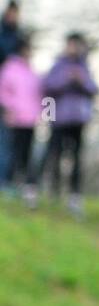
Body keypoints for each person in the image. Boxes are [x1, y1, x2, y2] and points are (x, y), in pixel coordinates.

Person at [36, 31, 99, 218]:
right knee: (54, 154)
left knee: (76, 159)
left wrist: (81, 80)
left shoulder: (85, 67)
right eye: (71, 44)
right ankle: (52, 191)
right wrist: (67, 79)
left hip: (78, 120)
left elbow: (94, 89)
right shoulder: (58, 65)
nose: (74, 48)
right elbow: (47, 87)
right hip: (59, 119)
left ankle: (74, 196)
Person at [0, 34, 42, 196]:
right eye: (28, 49)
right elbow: (3, 92)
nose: (30, 52)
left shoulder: (32, 71)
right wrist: (9, 109)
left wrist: (44, 115)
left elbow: (40, 95)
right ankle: (6, 183)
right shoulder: (9, 68)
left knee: (27, 154)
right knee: (11, 152)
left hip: (30, 120)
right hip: (14, 118)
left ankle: (23, 185)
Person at [0, 1, 22, 185]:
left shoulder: (18, 37)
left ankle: (5, 180)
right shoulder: (4, 36)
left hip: (12, 100)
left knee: (8, 140)